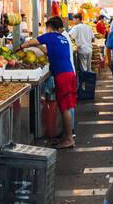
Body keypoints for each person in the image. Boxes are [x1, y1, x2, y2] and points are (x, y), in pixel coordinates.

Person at [22, 15, 77, 149]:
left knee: (65, 108)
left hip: (62, 75)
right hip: (69, 73)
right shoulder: (62, 38)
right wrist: (41, 48)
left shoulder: (50, 36)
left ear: (49, 27)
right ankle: (66, 136)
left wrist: (19, 47)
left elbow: (31, 42)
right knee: (66, 107)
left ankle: (69, 139)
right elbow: (50, 51)